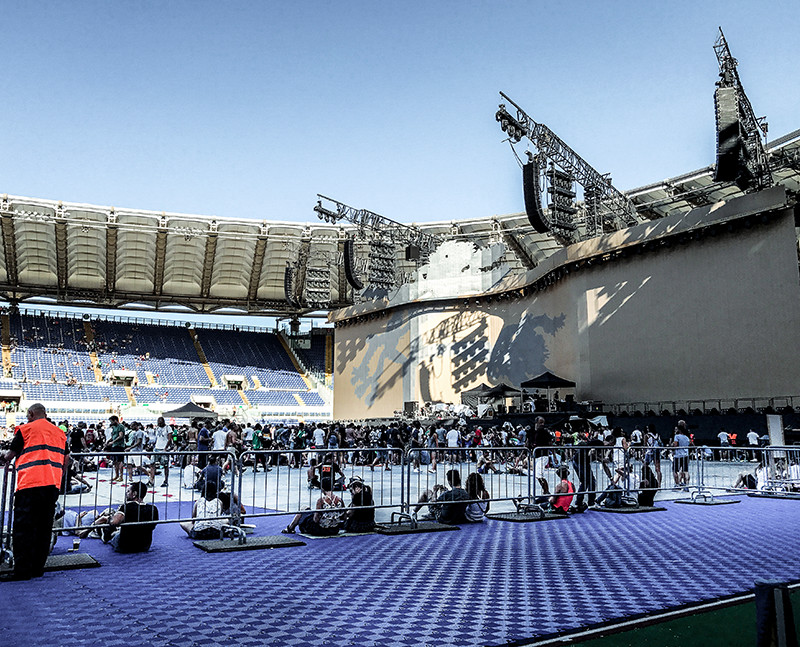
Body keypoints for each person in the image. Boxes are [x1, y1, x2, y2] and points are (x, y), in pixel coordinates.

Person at [0, 403, 67, 580]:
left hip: (29, 485)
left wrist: (4, 457)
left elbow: (10, 455)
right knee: (44, 529)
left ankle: (23, 571)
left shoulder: (25, 430)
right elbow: (67, 458)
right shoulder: (59, 433)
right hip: (51, 485)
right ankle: (38, 568)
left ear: (30, 413)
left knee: (24, 529)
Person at [93, 481, 158, 553]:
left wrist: (109, 518)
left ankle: (104, 534)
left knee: (109, 527)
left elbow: (114, 522)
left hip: (125, 546)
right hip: (145, 546)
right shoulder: (153, 508)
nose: (126, 494)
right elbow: (153, 526)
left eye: (128, 491)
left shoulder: (127, 506)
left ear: (134, 494)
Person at [149, 416, 172, 488]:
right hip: (157, 447)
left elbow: (169, 439)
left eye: (160, 423)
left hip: (163, 448)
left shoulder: (168, 428)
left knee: (165, 465)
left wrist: (166, 448)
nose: (159, 424)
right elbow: (157, 438)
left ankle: (166, 480)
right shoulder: (157, 428)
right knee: (152, 464)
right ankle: (151, 481)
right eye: (158, 423)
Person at [108, 415, 126, 482]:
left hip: (119, 446)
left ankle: (121, 476)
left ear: (115, 420)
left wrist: (113, 441)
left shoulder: (120, 426)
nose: (111, 423)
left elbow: (120, 436)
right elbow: (113, 436)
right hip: (114, 446)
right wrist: (109, 441)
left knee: (120, 461)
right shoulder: (113, 427)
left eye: (111, 421)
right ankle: (116, 475)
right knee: (115, 461)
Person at [672, 423, 691, 488]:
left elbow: (675, 445)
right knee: (685, 471)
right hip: (685, 455)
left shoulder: (676, 436)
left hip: (678, 455)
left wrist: (672, 445)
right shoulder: (686, 437)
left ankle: (677, 484)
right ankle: (687, 484)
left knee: (675, 470)